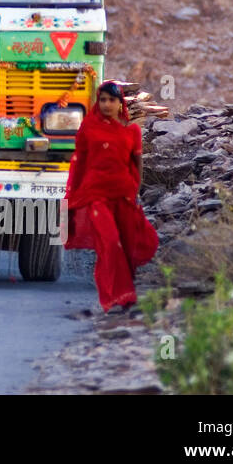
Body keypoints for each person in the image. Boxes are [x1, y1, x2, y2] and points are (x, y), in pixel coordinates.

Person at [64, 81, 159, 313]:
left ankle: (125, 297)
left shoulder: (132, 131)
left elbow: (136, 165)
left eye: (112, 100)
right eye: (103, 99)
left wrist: (134, 193)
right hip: (95, 195)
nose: (107, 104)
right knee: (109, 242)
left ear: (120, 104)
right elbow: (79, 164)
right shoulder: (88, 128)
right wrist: (72, 197)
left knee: (126, 244)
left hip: (123, 195)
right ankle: (116, 296)